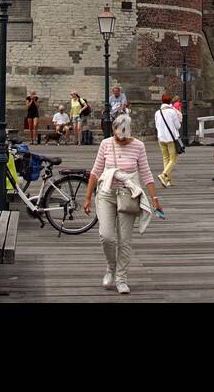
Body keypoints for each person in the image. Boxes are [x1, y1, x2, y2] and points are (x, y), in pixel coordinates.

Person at [83, 113, 160, 295]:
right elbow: (95, 171)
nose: (122, 141)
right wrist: (87, 198)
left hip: (128, 195)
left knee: (125, 240)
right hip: (106, 194)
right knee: (106, 236)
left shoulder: (138, 146)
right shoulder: (106, 144)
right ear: (114, 131)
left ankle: (121, 278)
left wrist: (155, 199)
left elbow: (146, 173)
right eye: (119, 137)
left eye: (125, 138)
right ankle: (111, 267)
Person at [153, 94, 183, 188]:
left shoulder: (157, 112)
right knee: (173, 159)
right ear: (170, 102)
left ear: (162, 101)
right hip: (171, 138)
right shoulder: (172, 112)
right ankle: (163, 175)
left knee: (165, 158)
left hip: (161, 138)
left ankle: (168, 180)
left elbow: (157, 126)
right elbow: (178, 126)